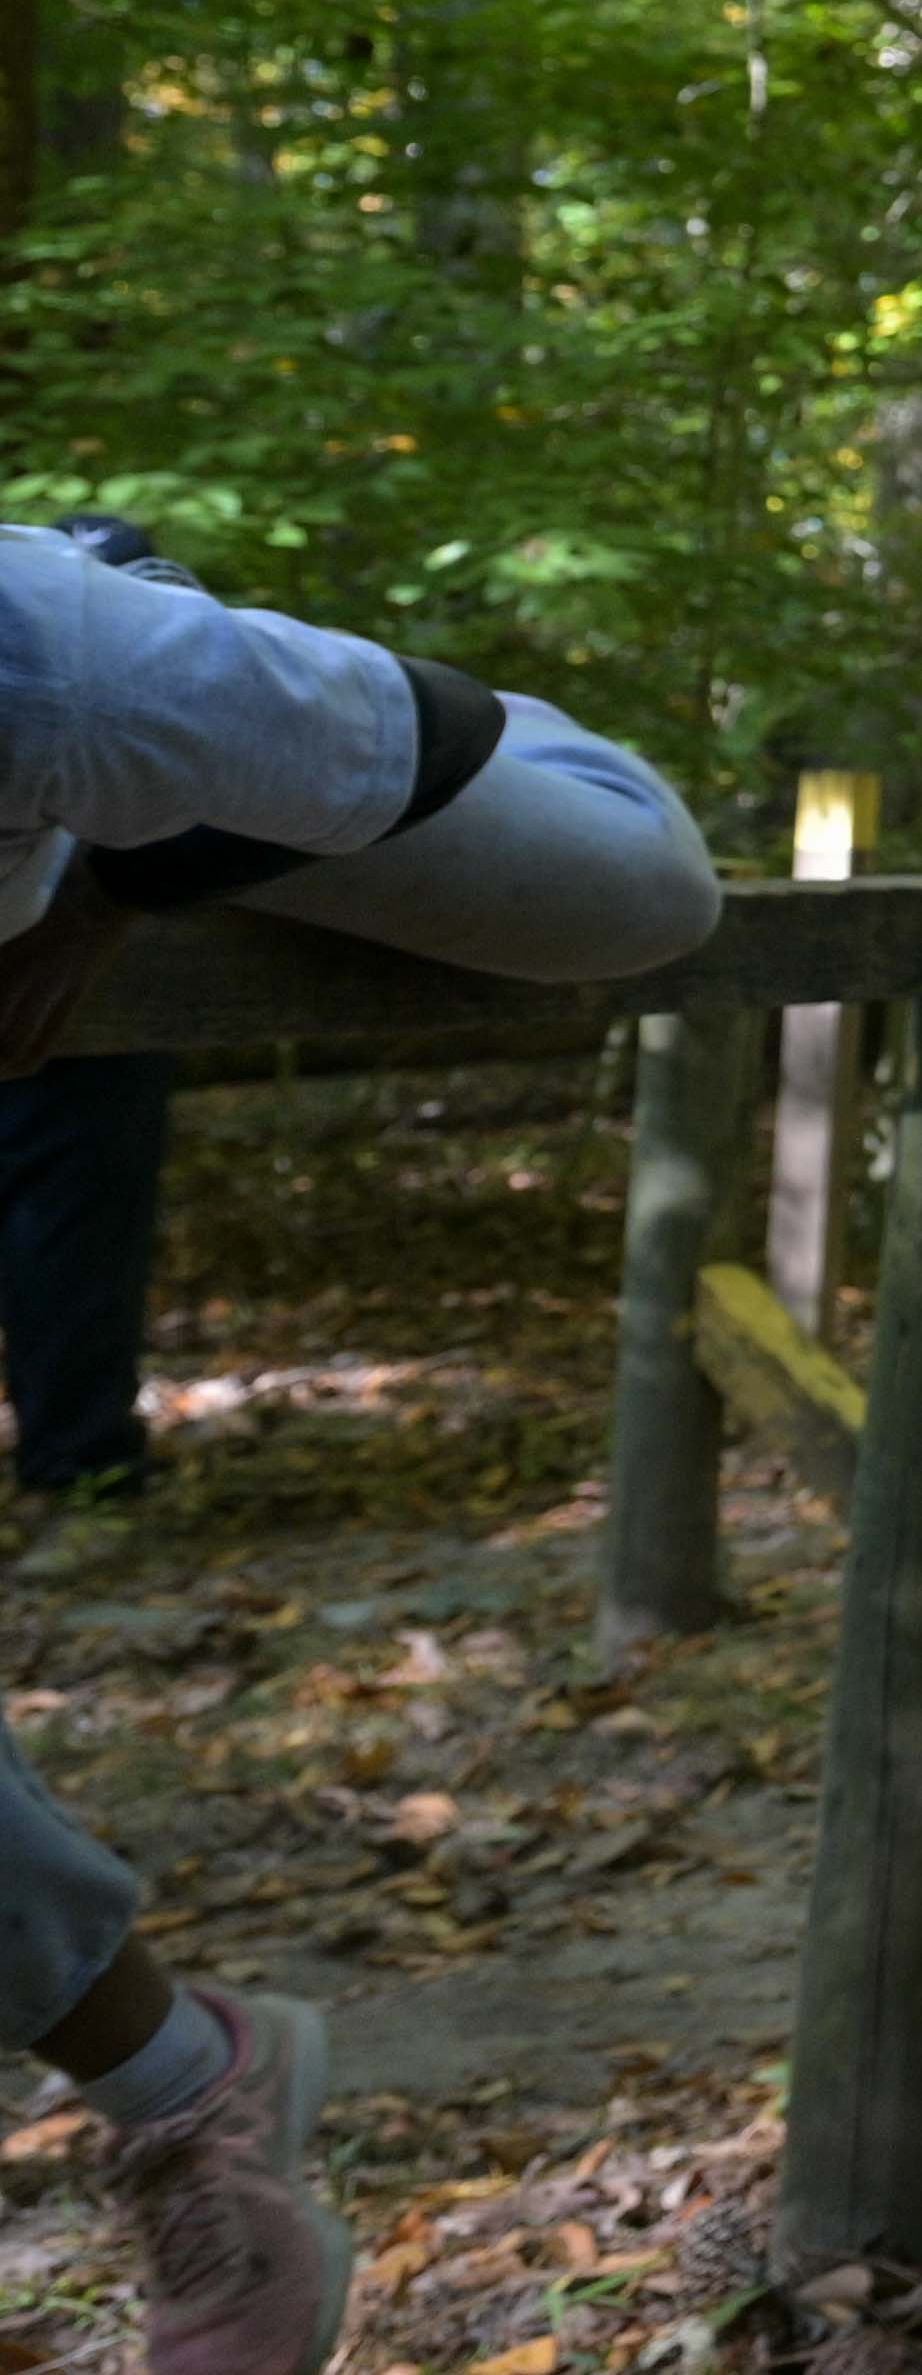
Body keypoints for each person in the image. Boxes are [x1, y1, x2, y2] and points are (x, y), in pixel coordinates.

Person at [0, 513, 727, 2375]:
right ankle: (179, 2078)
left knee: (614, 868)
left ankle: (182, 2092)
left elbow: (653, 883)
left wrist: (122, 878)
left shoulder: (72, 668)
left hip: (176, 737)